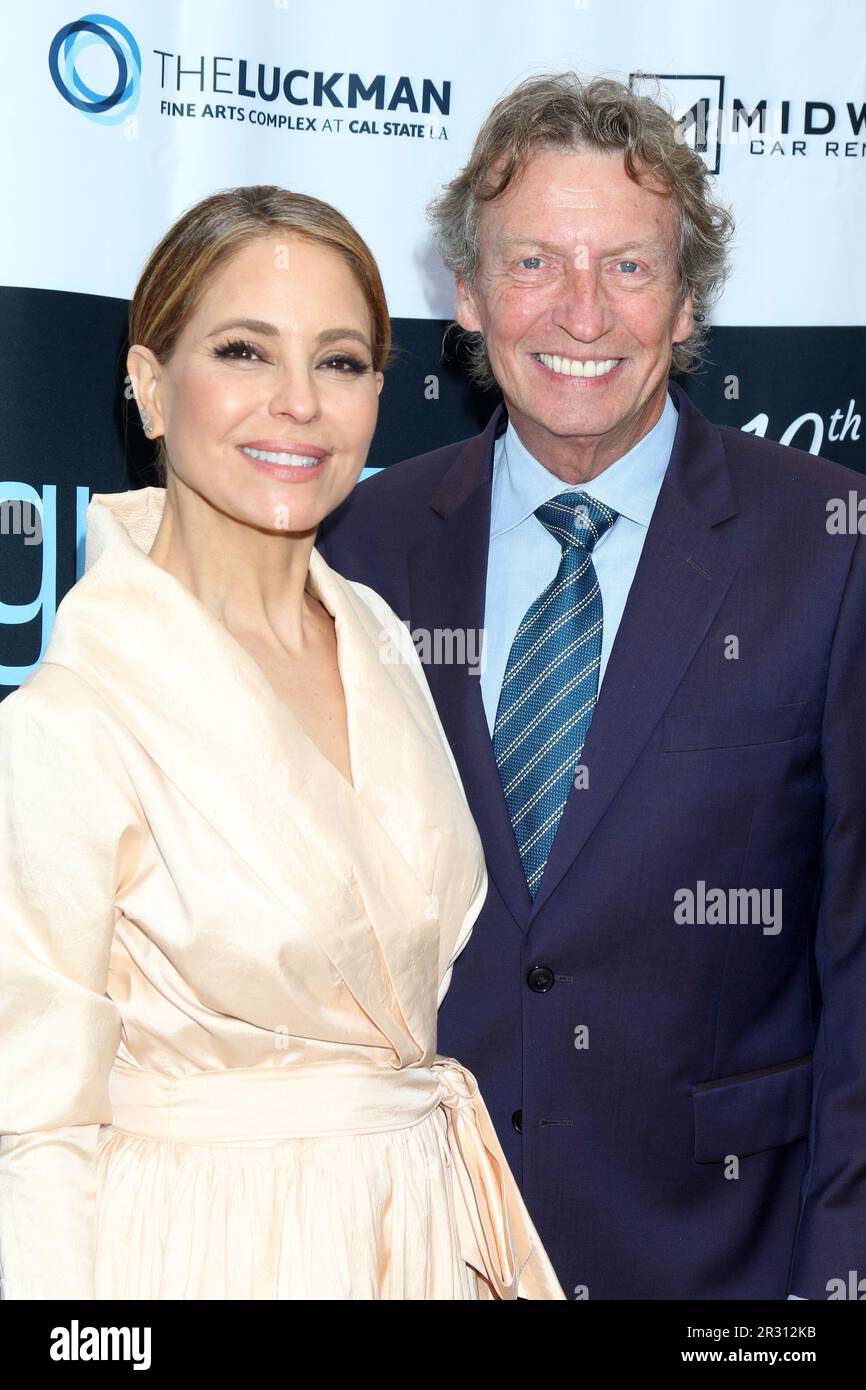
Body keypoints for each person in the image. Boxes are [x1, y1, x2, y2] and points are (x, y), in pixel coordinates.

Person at [316, 74, 866, 1299]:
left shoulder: (829, 548)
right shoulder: (359, 542)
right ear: (464, 294)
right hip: (410, 1251)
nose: (579, 311)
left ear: (682, 304)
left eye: (625, 266)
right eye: (531, 264)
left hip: (721, 1268)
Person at [0, 185, 565, 1301]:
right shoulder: (69, 722)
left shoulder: (381, 638)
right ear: (151, 389)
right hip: (204, 1256)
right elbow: (32, 1130)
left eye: (342, 361)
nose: (298, 404)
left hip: (414, 1234)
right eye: (245, 352)